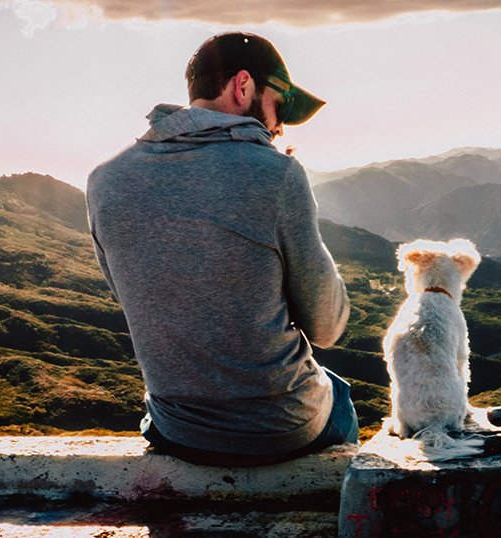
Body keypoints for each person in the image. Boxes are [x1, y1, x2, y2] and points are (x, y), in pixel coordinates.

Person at [86, 32, 355, 466]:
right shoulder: (277, 174)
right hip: (278, 427)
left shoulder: (104, 180)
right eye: (279, 106)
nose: (279, 126)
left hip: (177, 428)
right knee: (338, 393)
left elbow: (137, 296)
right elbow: (326, 326)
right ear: (243, 86)